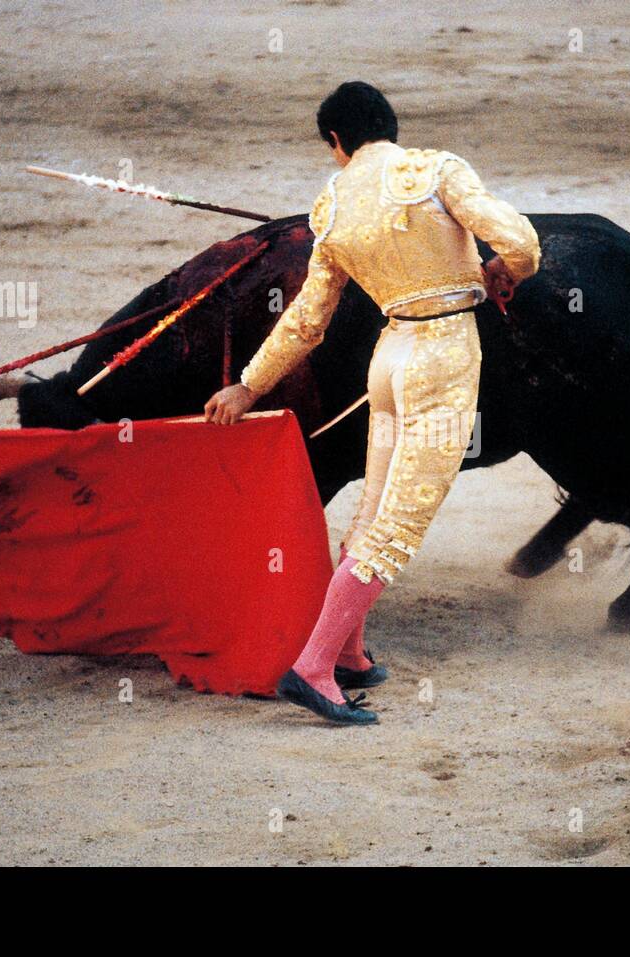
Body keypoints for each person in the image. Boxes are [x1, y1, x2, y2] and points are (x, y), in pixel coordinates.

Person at [204, 81, 540, 724]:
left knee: (373, 507)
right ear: (390, 125)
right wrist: (506, 271)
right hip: (442, 359)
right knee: (398, 524)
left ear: (337, 143)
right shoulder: (435, 169)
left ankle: (352, 653)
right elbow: (521, 242)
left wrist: (249, 384)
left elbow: (307, 320)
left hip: (387, 362)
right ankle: (314, 667)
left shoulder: (329, 207)